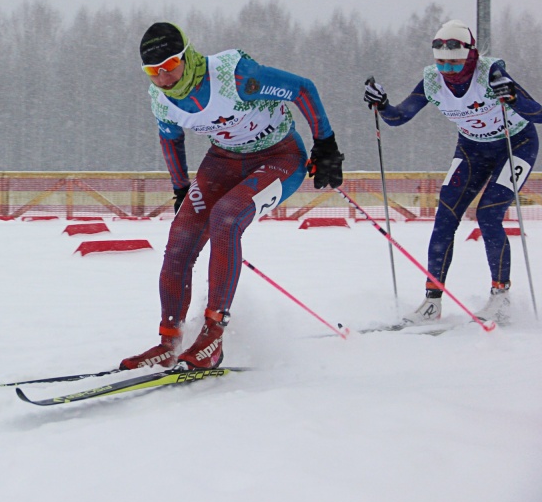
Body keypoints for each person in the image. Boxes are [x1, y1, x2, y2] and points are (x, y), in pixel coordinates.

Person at [120, 22, 343, 371]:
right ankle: (169, 340)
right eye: (153, 72)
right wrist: (181, 189)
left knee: (226, 217)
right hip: (223, 161)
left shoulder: (233, 76)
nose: (164, 79)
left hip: (280, 157)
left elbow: (302, 89)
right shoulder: (160, 98)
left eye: (170, 67)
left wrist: (325, 144)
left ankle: (213, 336)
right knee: (181, 235)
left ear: (186, 57)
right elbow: (170, 139)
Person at [364, 20, 542, 325]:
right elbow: (399, 117)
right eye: (442, 63)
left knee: (488, 214)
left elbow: (537, 113)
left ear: (470, 56)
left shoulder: (491, 74)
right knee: (445, 215)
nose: (448, 71)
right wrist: (382, 105)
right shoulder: (432, 81)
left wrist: (512, 96)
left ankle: (501, 297)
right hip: (473, 151)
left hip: (516, 145)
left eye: (455, 64)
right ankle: (432, 302)